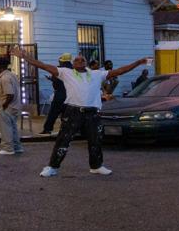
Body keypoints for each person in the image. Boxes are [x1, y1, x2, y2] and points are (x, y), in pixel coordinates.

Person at [11, 46, 148, 177]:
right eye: (76, 60)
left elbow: (120, 71)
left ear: (86, 63)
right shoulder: (66, 73)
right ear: (73, 64)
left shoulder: (97, 74)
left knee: (95, 140)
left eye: (82, 59)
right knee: (63, 140)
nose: (80, 61)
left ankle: (96, 166)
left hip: (92, 112)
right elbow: (43, 65)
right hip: (73, 112)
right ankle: (52, 167)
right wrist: (25, 57)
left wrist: (138, 62)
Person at [0, 55, 24, 156]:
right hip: (15, 106)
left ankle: (8, 148)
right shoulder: (12, 75)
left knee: (6, 129)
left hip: (7, 107)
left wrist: (4, 105)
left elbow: (10, 94)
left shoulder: (4, 78)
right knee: (13, 128)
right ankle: (17, 147)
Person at [41, 53, 71, 134]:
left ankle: (47, 129)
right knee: (67, 114)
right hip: (71, 96)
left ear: (62, 61)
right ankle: (66, 130)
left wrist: (52, 80)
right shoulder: (74, 70)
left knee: (53, 113)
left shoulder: (58, 70)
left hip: (60, 95)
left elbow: (56, 85)